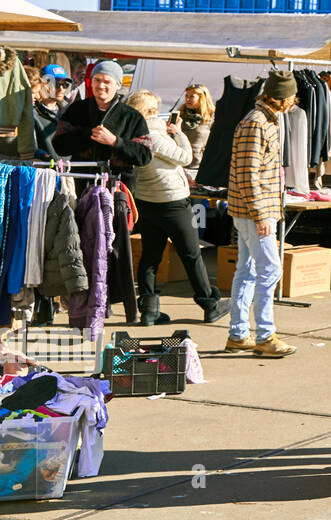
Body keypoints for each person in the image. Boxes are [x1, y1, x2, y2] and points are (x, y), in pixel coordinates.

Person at [123, 90, 230, 326]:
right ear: (150, 112)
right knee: (191, 254)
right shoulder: (153, 136)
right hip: (173, 202)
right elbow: (185, 157)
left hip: (146, 201)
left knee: (150, 256)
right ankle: (209, 304)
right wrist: (179, 133)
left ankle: (149, 309)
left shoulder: (131, 135)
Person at [224, 70, 299, 359]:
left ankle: (238, 334)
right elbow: (247, 175)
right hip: (255, 211)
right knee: (270, 269)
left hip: (254, 210)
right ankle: (265, 335)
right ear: (282, 97)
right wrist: (260, 215)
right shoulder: (257, 123)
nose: (294, 101)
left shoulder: (267, 119)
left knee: (248, 270)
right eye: (292, 96)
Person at [51, 60, 152, 193]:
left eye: (107, 81)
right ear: (91, 82)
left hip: (117, 189)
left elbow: (144, 156)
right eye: (97, 80)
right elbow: (59, 146)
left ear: (118, 85)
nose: (101, 85)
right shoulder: (77, 110)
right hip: (81, 185)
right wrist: (87, 135)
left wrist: (115, 142)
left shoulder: (132, 116)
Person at [180, 84, 215, 178]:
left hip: (199, 166)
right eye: (186, 96)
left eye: (192, 96)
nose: (187, 99)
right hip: (180, 163)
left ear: (202, 98)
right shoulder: (180, 114)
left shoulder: (211, 117)